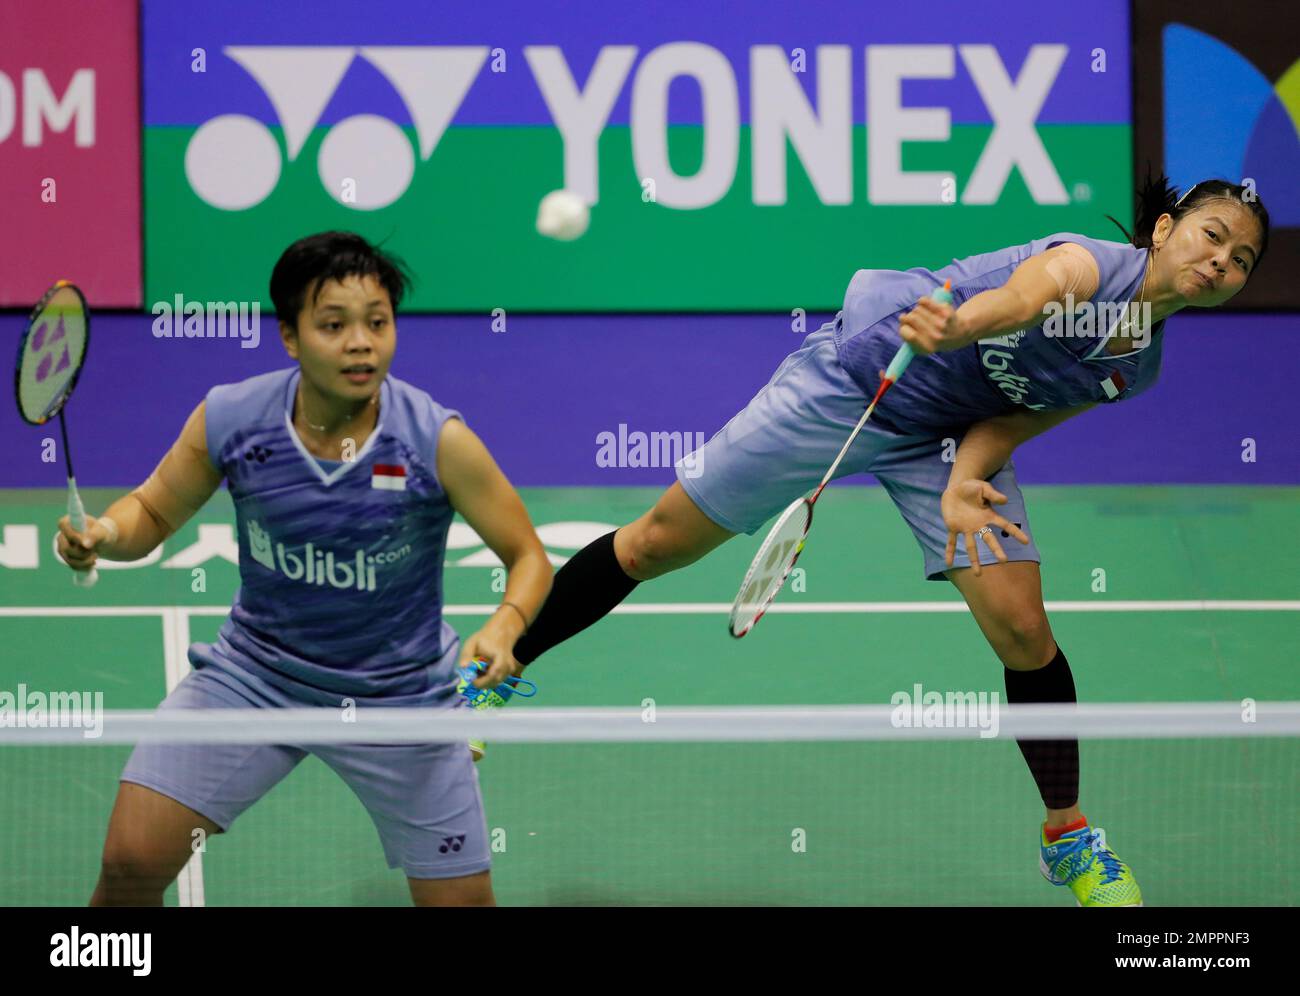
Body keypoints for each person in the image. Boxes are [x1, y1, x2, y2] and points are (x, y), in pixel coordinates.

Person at [484, 175, 1270, 907]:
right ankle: (495, 668)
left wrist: (967, 479)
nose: (1220, 261)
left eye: (1241, 260)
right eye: (1210, 235)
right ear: (1164, 230)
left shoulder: (1137, 366)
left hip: (947, 438)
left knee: (1026, 631)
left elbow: (1016, 418)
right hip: (863, 377)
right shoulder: (1091, 268)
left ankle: (1066, 836)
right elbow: (1027, 296)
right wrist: (958, 323)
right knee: (656, 544)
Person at [58, 231, 551, 907]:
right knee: (130, 862)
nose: (361, 343)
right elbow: (152, 513)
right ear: (290, 337)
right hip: (257, 676)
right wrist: (105, 534)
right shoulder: (233, 418)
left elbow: (527, 555)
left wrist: (506, 623)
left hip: (401, 697)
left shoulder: (436, 440)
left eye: (378, 323)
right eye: (334, 325)